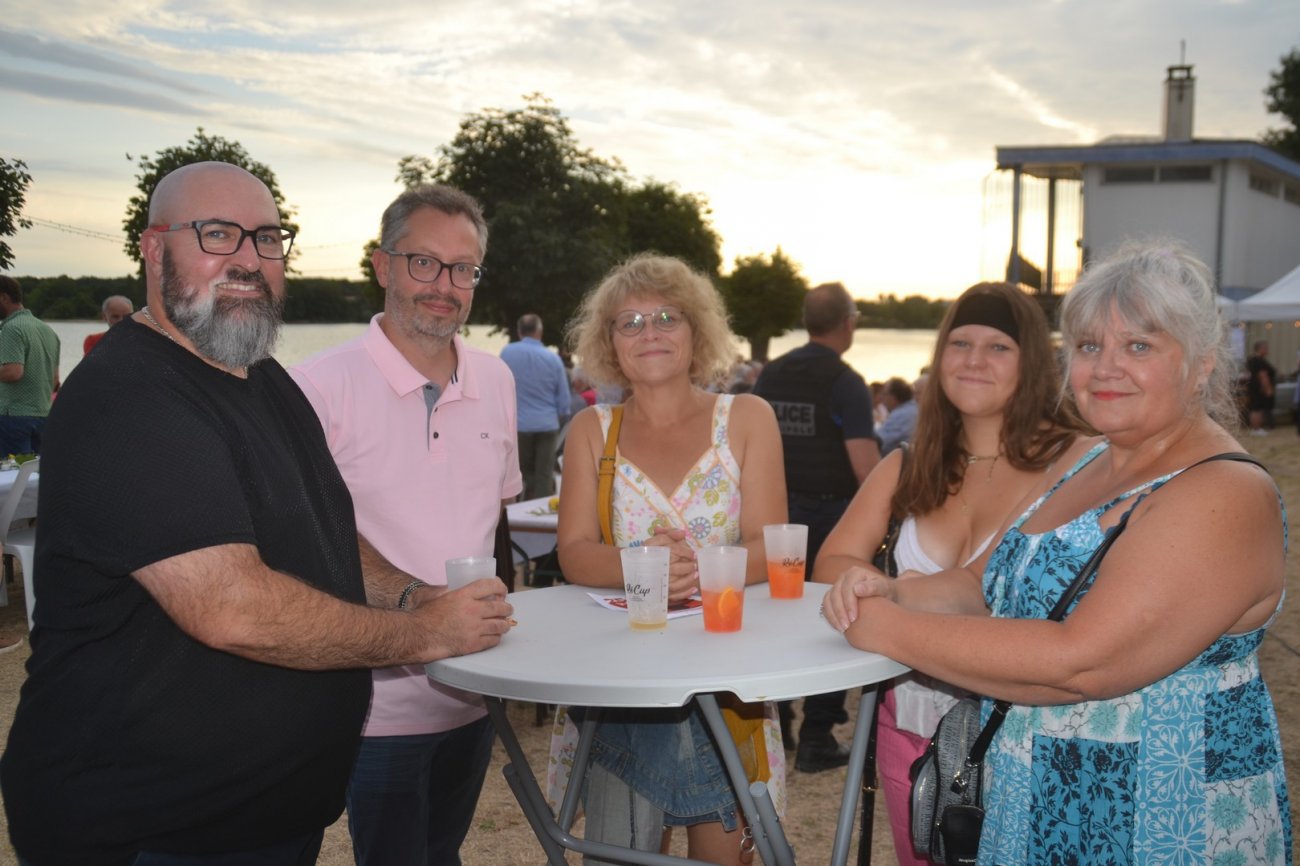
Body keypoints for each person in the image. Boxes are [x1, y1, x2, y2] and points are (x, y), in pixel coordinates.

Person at [0, 162, 514, 866]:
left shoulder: (264, 379)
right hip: (145, 828)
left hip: (260, 819)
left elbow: (324, 532)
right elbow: (230, 606)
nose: (249, 260)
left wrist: (409, 591)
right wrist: (419, 632)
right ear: (155, 249)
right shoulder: (129, 397)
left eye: (268, 240)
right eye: (219, 235)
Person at [824, 241, 1291, 865]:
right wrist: (893, 590)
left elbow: (1081, 663)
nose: (1105, 369)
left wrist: (890, 629)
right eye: (1090, 346)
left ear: (1203, 363)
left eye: (1140, 347)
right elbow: (979, 584)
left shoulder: (1223, 491)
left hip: (1159, 818)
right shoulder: (1093, 458)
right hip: (1034, 798)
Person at [290, 183, 521, 866]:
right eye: (423, 262)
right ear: (381, 265)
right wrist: (413, 602)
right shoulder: (315, 386)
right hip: (374, 706)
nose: (442, 285)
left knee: (442, 855)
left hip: (477, 692)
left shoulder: (497, 380)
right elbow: (306, 535)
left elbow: (492, 523)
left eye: (462, 268)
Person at [813, 282, 1083, 864]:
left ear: (1031, 360)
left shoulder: (1074, 463)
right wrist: (863, 582)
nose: (974, 360)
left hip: (1022, 726)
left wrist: (892, 591)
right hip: (909, 718)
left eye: (998, 347)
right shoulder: (908, 464)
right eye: (960, 343)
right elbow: (831, 561)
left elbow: (987, 587)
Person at [555, 253, 788, 865]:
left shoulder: (748, 417)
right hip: (623, 681)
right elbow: (574, 554)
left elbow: (777, 545)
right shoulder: (590, 430)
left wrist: (710, 565)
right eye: (629, 323)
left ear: (697, 330)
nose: (650, 332)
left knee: (723, 857)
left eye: (666, 317)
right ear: (609, 343)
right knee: (620, 856)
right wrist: (640, 564)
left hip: (728, 675)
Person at [752, 280, 880, 772]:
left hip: (775, 518)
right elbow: (867, 469)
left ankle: (777, 720)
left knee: (776, 619)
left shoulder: (772, 376)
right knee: (836, 621)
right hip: (832, 521)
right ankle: (817, 736)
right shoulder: (846, 382)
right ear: (847, 323)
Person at [500, 312, 570, 500]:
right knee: (544, 474)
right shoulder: (553, 359)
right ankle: (538, 515)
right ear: (540, 331)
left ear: (519, 331)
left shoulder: (507, 353)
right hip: (547, 425)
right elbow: (564, 402)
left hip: (519, 426)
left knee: (518, 472)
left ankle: (517, 510)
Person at [0, 275, 60, 456]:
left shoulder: (11, 328)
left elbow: (13, 372)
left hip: (14, 416)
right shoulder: (47, 330)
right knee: (33, 476)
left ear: (3, 297)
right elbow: (55, 380)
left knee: (11, 477)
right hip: (43, 415)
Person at [874, 376, 917, 455]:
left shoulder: (902, 415)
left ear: (893, 397)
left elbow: (879, 442)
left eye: (884, 394)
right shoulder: (912, 409)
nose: (882, 398)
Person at [1246, 339, 1276, 435]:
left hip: (1254, 387)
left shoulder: (1253, 359)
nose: (1267, 350)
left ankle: (1255, 428)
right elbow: (1263, 375)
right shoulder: (1258, 360)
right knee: (1257, 408)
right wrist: (1268, 388)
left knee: (1256, 407)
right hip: (1258, 388)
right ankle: (1256, 428)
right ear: (1260, 348)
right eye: (1266, 348)